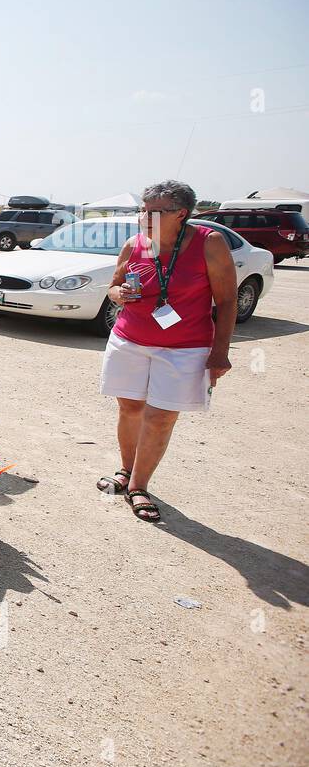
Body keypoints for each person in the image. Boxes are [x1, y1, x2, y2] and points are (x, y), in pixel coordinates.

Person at [97, 180, 236, 523]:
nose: (145, 216)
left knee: (160, 418)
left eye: (154, 211)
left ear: (182, 214)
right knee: (130, 407)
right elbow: (113, 285)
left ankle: (139, 487)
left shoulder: (209, 243)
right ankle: (127, 471)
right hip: (129, 341)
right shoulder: (134, 244)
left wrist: (220, 353)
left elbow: (228, 300)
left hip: (184, 348)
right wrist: (119, 295)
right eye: (143, 210)